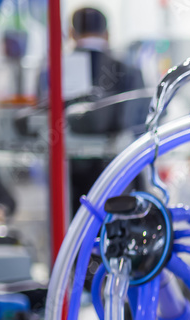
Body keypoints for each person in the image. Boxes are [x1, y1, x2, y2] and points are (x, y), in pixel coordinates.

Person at [65, 7, 144, 218]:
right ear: (107, 34)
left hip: (70, 184)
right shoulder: (129, 71)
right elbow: (142, 130)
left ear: (71, 33)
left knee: (76, 245)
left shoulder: (55, 70)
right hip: (119, 179)